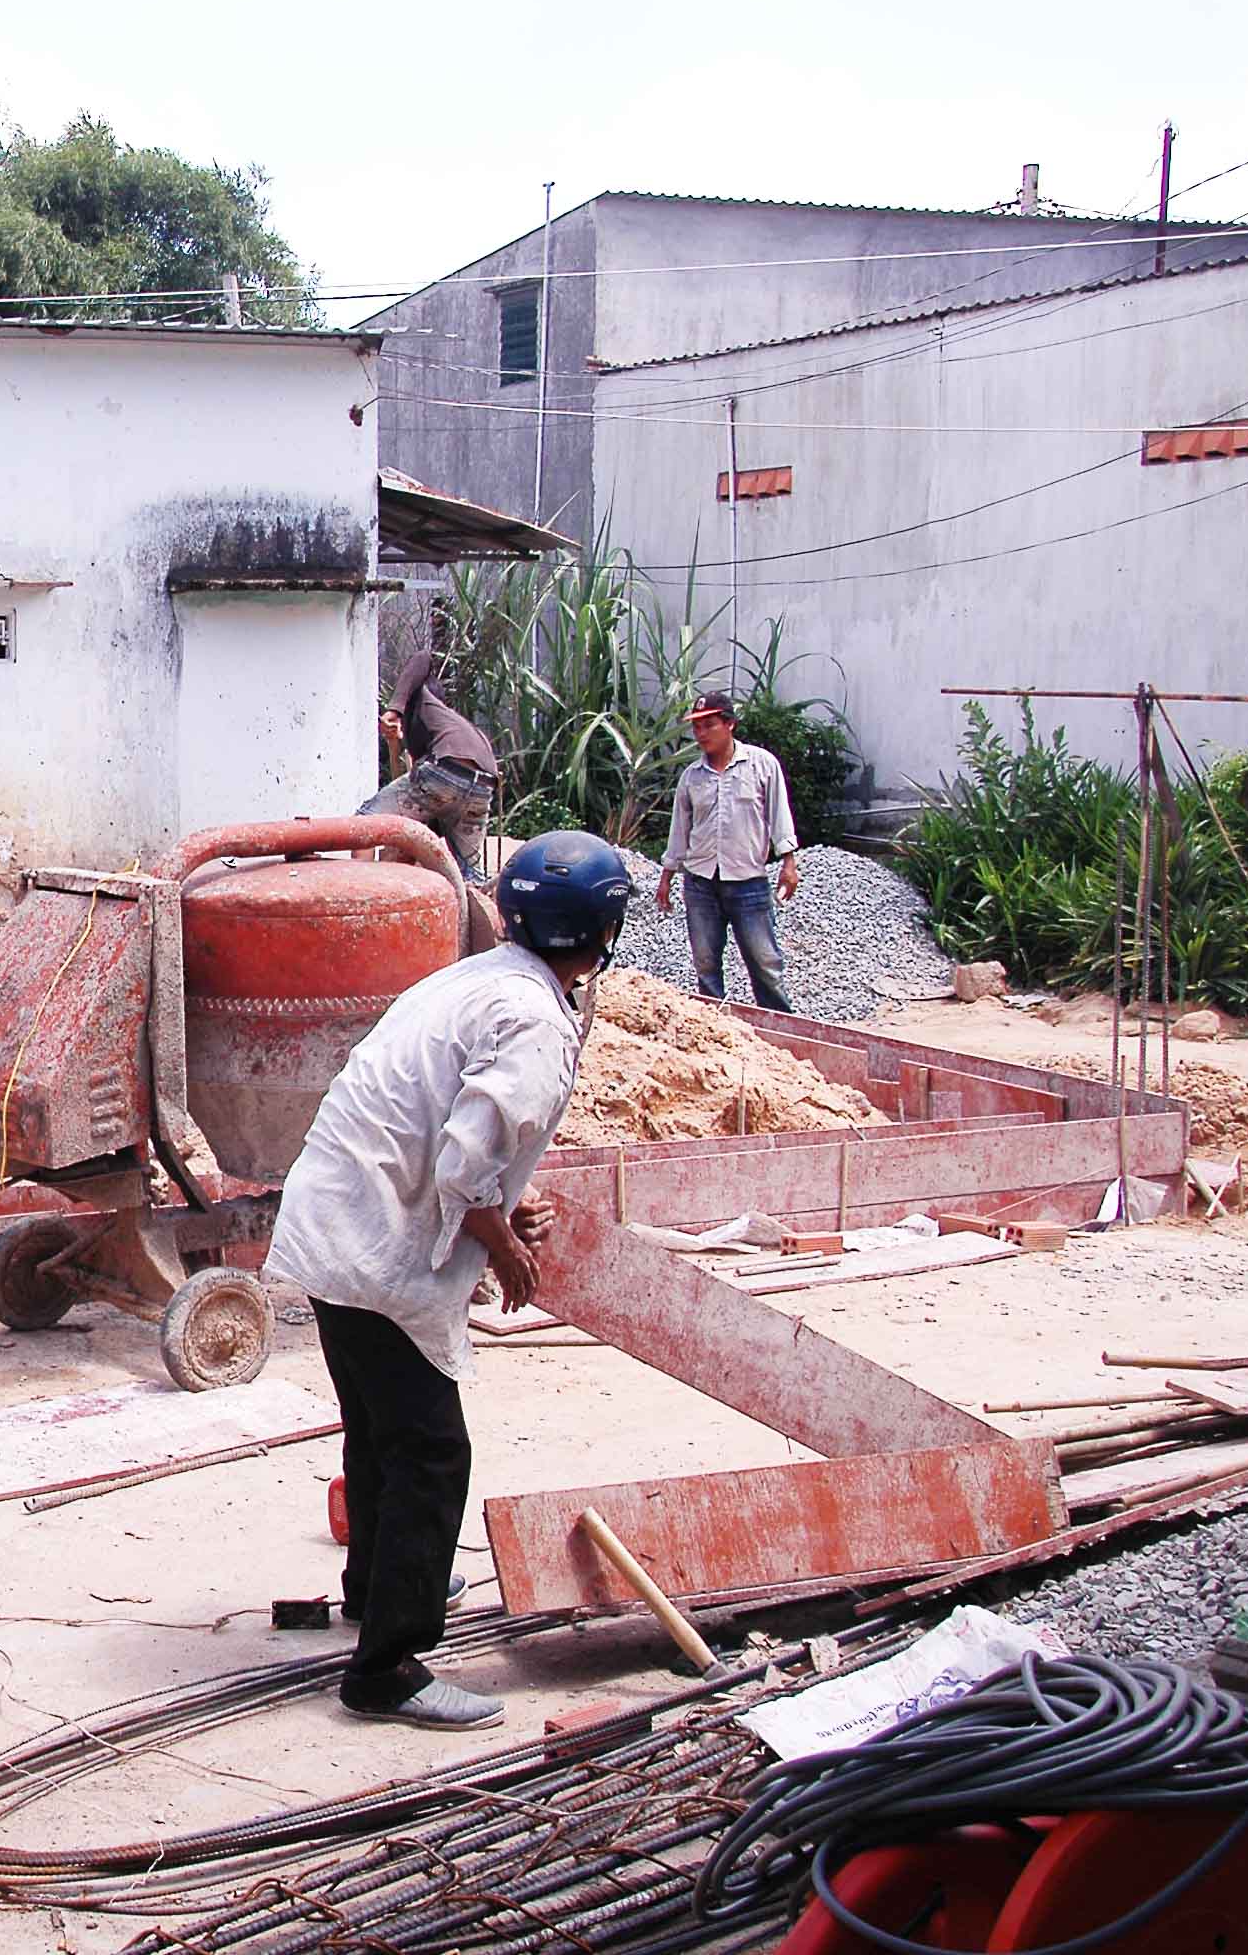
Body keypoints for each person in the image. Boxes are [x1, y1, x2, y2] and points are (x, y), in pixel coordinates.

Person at [265, 830, 630, 1730]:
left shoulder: (472, 980)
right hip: (379, 1246)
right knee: (432, 1451)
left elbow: (444, 1119)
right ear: (602, 934)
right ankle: (388, 1668)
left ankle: (374, 1586)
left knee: (379, 1429)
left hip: (335, 1218)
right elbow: (464, 1163)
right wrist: (500, 1240)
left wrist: (503, 1206)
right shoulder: (538, 1019)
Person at [656, 691, 799, 1014]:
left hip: (748, 882)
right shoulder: (691, 777)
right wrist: (666, 878)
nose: (701, 734)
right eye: (697, 727)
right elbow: (680, 831)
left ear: (730, 724)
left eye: (709, 725)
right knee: (706, 963)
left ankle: (779, 1025)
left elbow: (779, 815)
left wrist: (789, 862)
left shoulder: (761, 765)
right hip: (701, 884)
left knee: (765, 963)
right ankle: (714, 1025)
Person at [363, 647, 499, 880]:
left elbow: (423, 656)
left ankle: (361, 889)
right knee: (469, 875)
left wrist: (395, 708)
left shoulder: (421, 698)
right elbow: (412, 790)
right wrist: (394, 743)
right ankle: (475, 898)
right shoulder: (448, 727)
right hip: (483, 785)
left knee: (365, 821)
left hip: (446, 772)